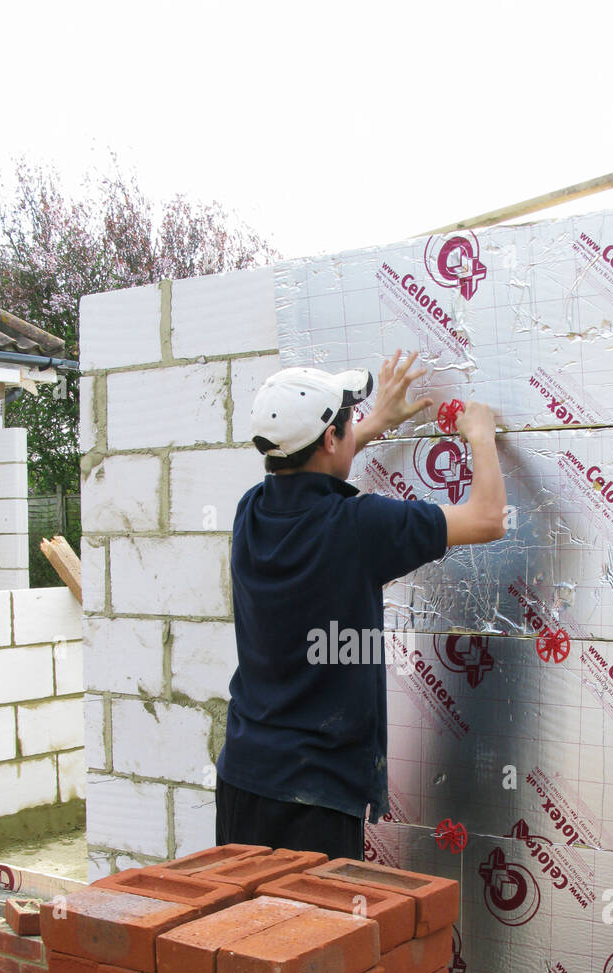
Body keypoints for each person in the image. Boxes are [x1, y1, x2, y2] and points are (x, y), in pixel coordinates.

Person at [214, 349, 506, 859]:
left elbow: (307, 464)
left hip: (243, 777)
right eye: (347, 426)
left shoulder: (249, 512)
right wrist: (480, 435)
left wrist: (372, 424)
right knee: (314, 936)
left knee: (249, 929)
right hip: (315, 798)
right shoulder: (359, 526)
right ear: (330, 439)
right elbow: (487, 519)